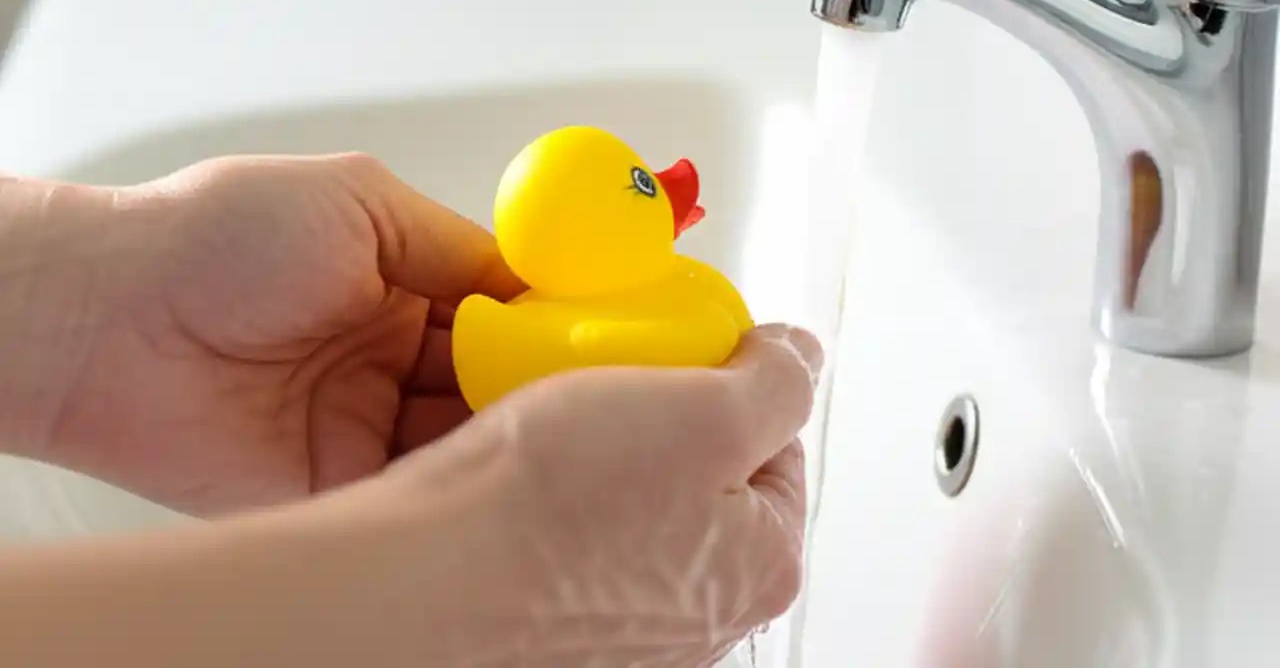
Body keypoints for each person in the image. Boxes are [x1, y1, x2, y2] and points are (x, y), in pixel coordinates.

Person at [0, 152, 823, 667]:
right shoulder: (530, 335)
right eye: (644, 184)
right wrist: (454, 600)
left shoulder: (676, 290)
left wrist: (103, 294)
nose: (675, 187)